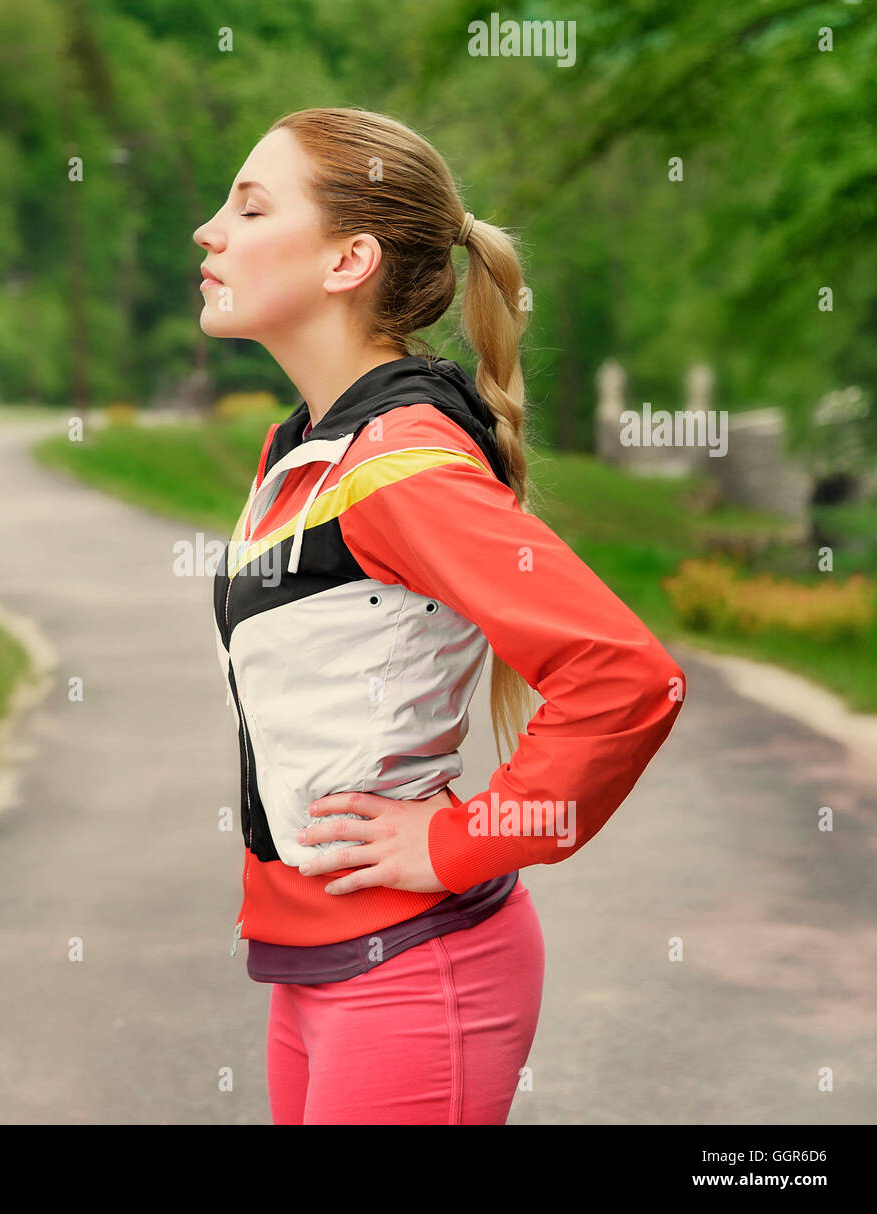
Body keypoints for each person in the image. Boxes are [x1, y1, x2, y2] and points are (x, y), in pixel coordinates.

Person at [195, 107, 686, 1125]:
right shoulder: (304, 451)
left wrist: (462, 838)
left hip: (414, 976)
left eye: (249, 206)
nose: (210, 231)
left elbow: (627, 677)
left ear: (349, 260)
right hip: (314, 968)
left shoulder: (399, 465)